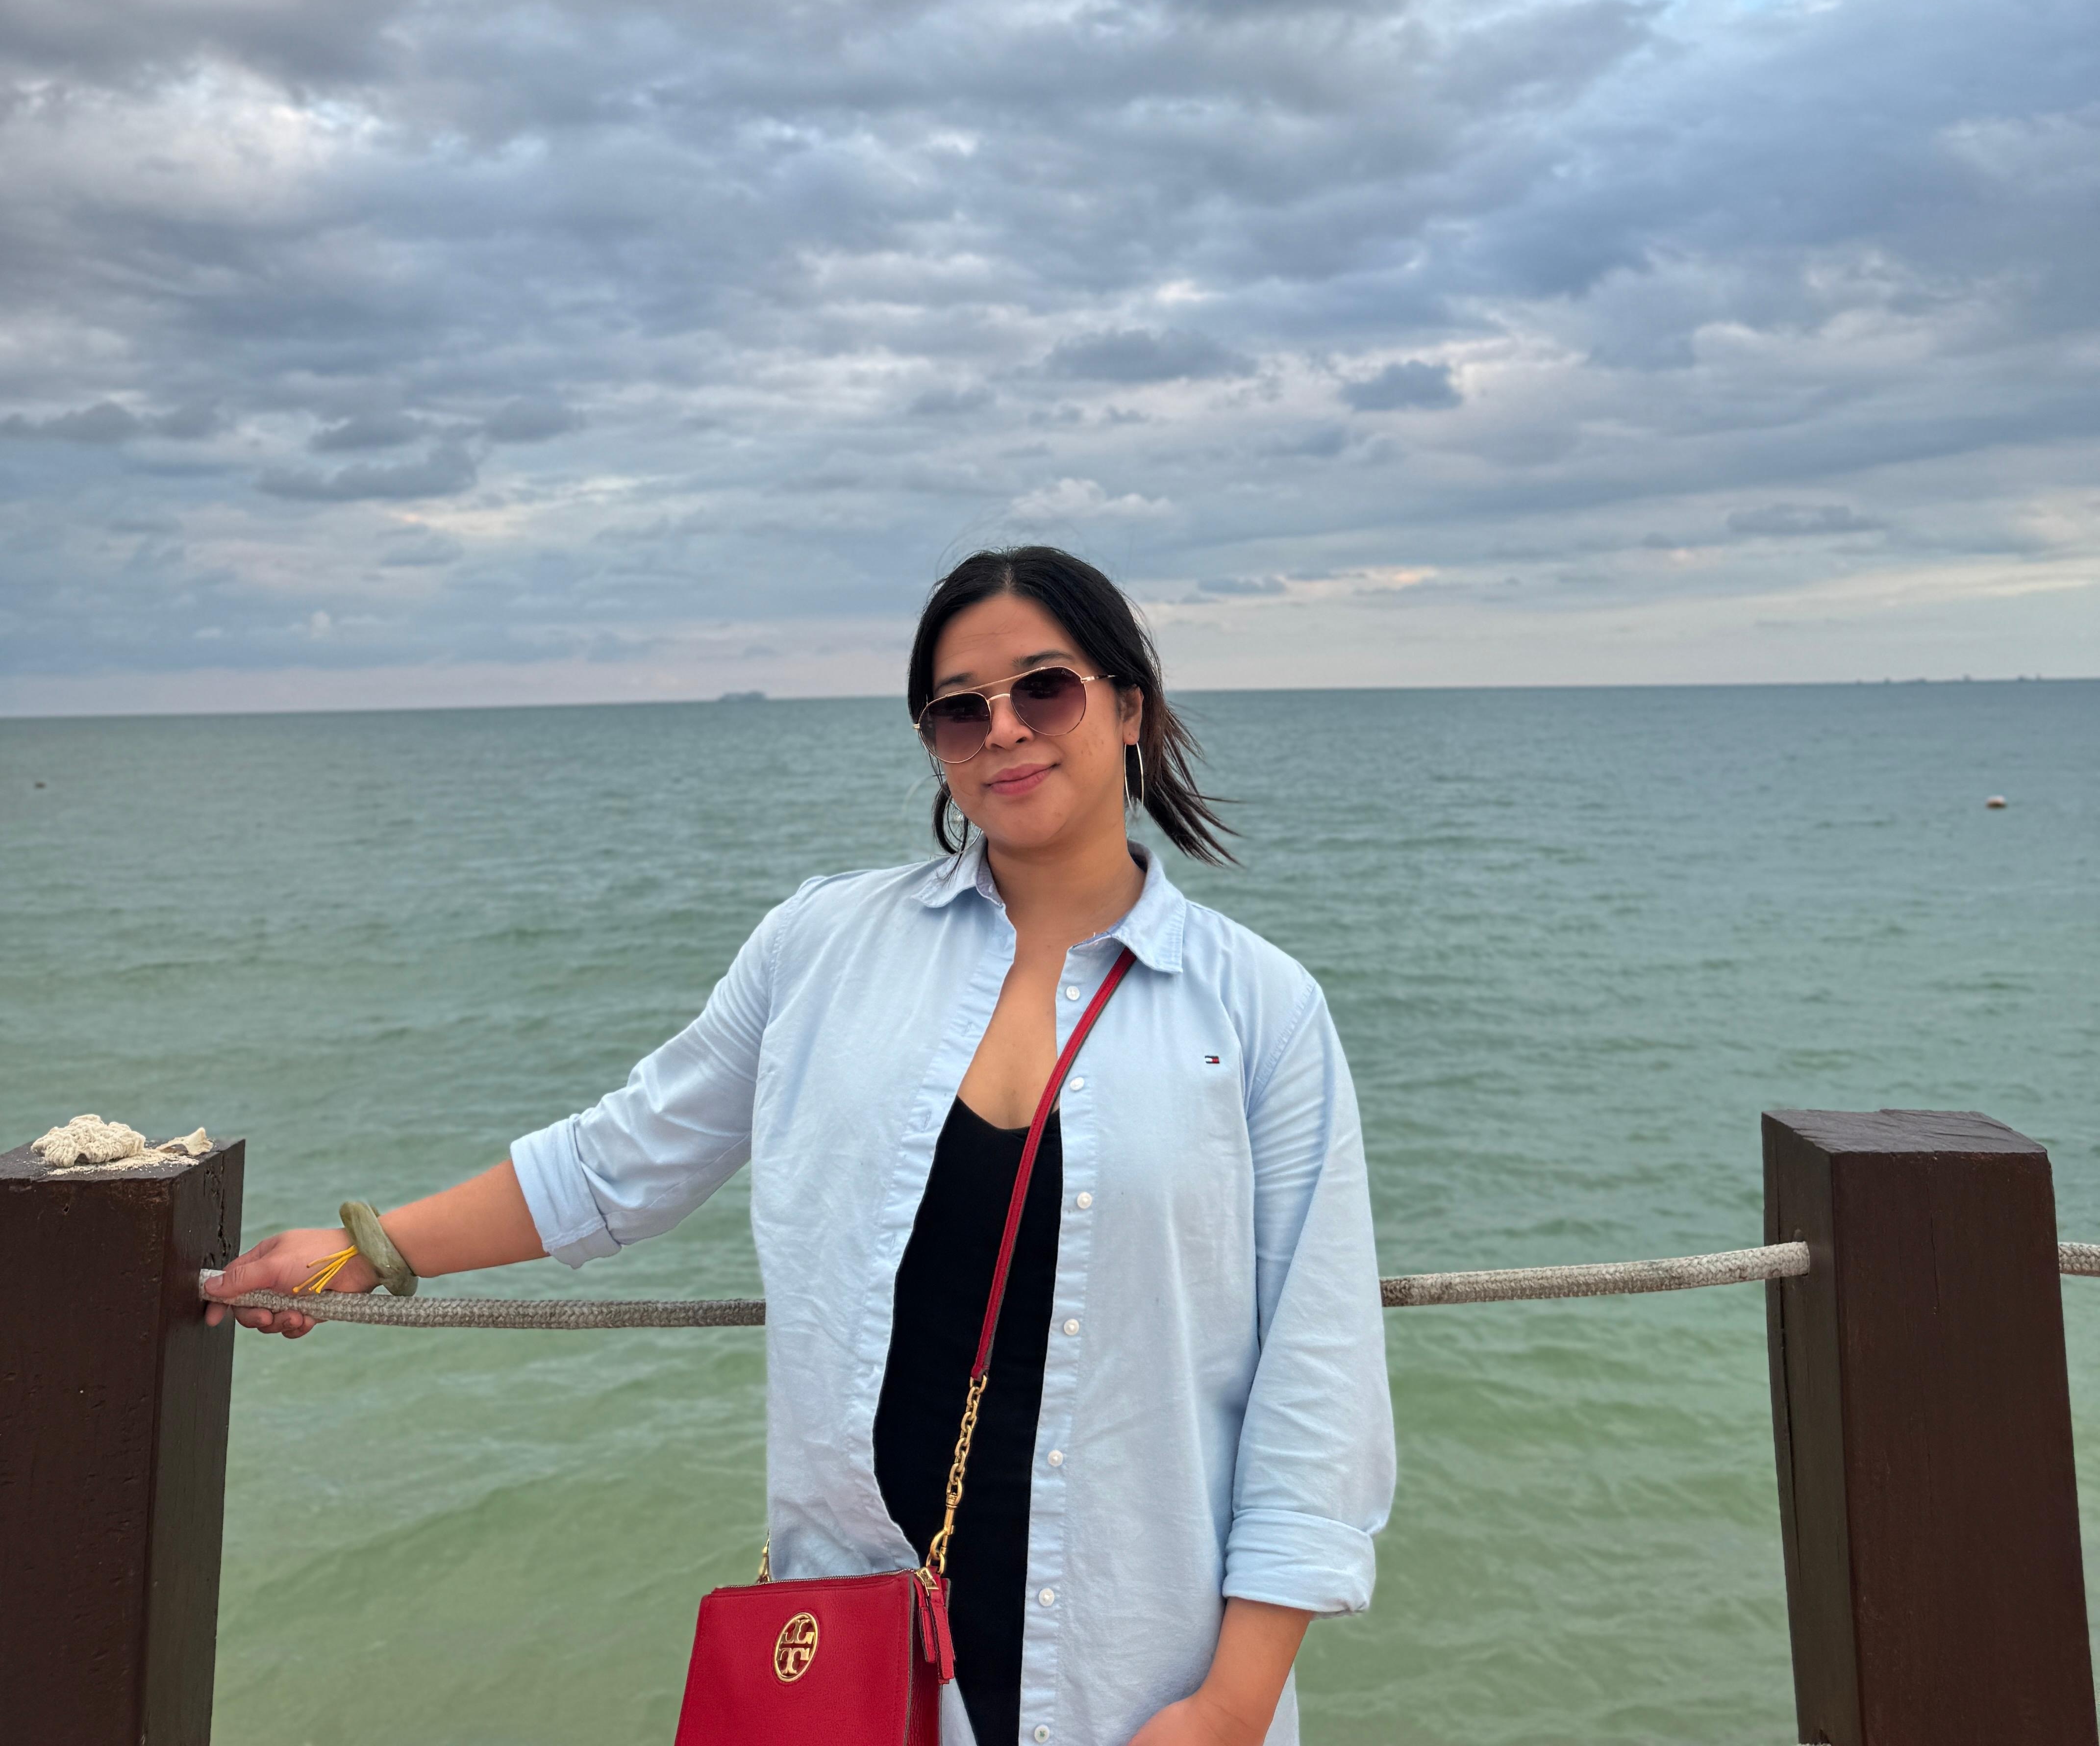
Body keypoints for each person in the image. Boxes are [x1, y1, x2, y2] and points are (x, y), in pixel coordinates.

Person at [208, 545, 1395, 1746]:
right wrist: (363, 1251)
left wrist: (1229, 1709)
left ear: (1128, 706)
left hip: (1135, 1673)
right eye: (960, 708)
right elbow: (622, 1160)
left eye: (1045, 689)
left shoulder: (1258, 1010)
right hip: (853, 1656)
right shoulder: (824, 947)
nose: (1004, 729)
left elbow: (1318, 1376)